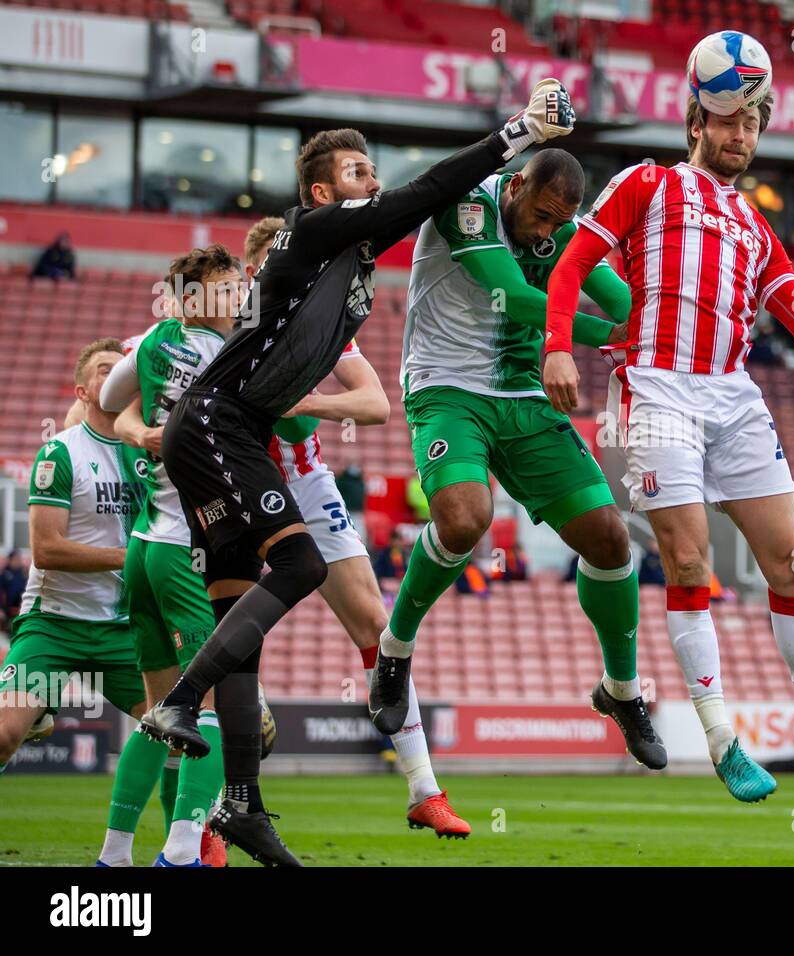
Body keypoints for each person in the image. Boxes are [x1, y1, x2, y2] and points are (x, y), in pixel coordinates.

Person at [137, 80, 578, 866]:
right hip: (217, 426)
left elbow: (409, 214)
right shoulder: (314, 231)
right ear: (319, 191)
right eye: (356, 172)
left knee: (243, 620)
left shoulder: (349, 254)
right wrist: (516, 132)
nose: (370, 181)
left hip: (229, 431)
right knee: (302, 562)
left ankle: (241, 805)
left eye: (371, 170)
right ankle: (176, 703)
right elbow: (426, 192)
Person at [542, 89, 794, 801]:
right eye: (729, 119)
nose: (742, 133)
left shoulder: (755, 225)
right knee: (689, 559)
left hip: (733, 395)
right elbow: (572, 263)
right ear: (696, 124)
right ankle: (723, 741)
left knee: (791, 564)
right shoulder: (647, 183)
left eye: (752, 122)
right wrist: (557, 347)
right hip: (659, 385)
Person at [369, 146, 664, 770]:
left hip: (524, 399)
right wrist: (613, 337)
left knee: (611, 540)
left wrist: (661, 329)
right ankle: (393, 653)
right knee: (463, 520)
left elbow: (622, 302)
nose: (548, 233)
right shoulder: (468, 205)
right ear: (516, 187)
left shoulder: (560, 229)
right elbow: (516, 297)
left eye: (562, 224)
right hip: (447, 388)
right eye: (542, 216)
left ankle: (622, 690)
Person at [247, 219, 470, 838]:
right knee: (226, 642)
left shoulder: (324, 331)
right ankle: (216, 821)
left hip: (306, 484)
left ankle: (425, 788)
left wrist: (307, 403)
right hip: (231, 486)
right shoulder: (227, 330)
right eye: (278, 263)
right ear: (254, 273)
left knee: (375, 625)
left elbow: (374, 404)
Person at [95, 246, 243, 867]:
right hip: (188, 546)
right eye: (226, 291)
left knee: (160, 716)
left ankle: (114, 855)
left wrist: (139, 429)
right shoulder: (229, 354)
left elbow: (108, 396)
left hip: (144, 547)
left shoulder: (154, 338)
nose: (239, 299)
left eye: (240, 288)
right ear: (191, 299)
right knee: (208, 709)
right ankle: (182, 854)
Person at [0, 341, 147, 778]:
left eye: (120, 367)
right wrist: (132, 557)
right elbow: (47, 550)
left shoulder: (148, 449)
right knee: (4, 735)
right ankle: (37, 708)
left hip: (123, 631)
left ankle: (179, 845)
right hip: (56, 626)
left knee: (180, 728)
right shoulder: (60, 453)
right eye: (104, 369)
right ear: (82, 393)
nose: (114, 374)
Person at [1, 552, 27, 627]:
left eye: (19, 559)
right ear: (10, 560)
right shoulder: (4, 574)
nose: (17, 561)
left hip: (21, 609)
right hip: (7, 611)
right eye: (15, 559)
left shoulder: (23, 574)